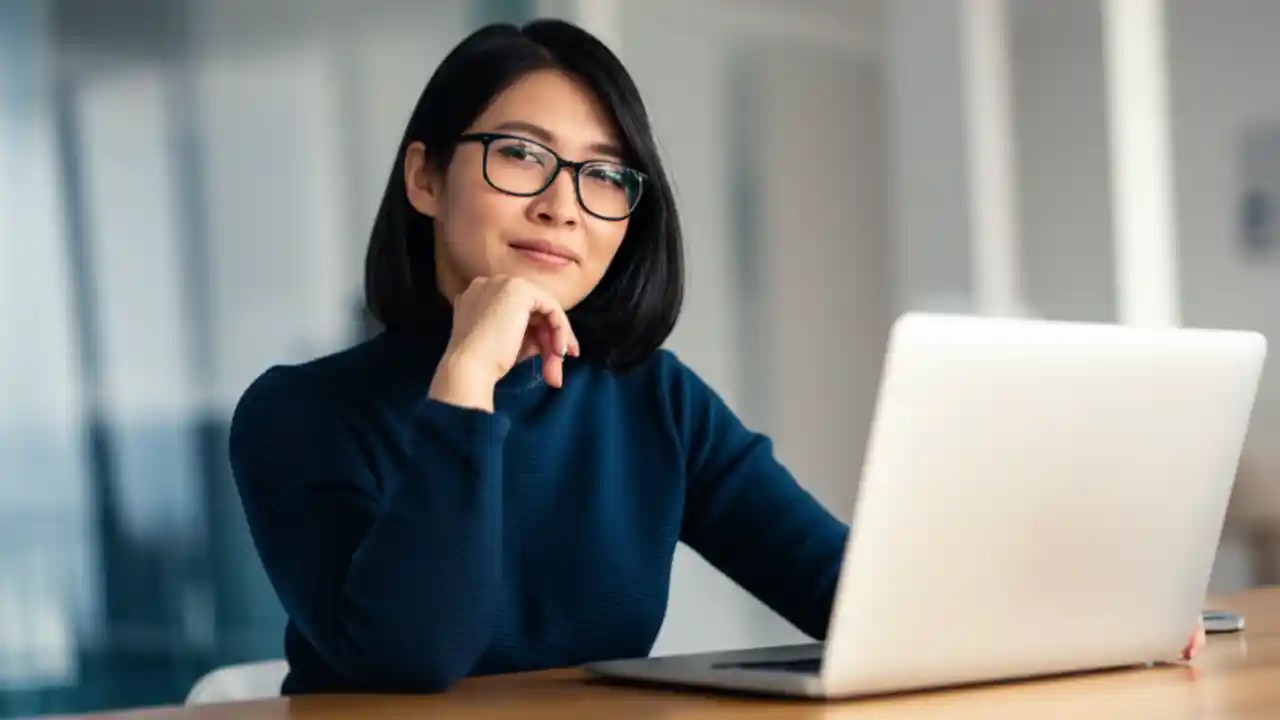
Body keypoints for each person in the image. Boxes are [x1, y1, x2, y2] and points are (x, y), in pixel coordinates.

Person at [228, 19, 1204, 695]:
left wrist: (1092, 619)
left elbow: (851, 597)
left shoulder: (654, 402)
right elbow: (413, 657)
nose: (565, 203)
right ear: (426, 176)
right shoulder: (295, 417)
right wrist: (466, 381)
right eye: (520, 154)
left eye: (605, 174)